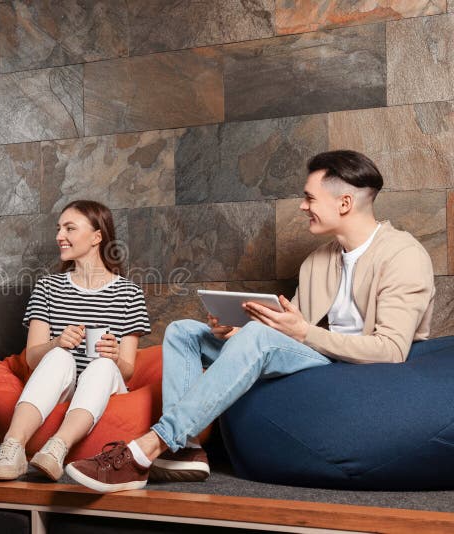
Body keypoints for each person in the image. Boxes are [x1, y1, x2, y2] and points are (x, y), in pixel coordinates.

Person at [66, 150, 436, 493]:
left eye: (309, 198)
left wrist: (298, 332)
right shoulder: (319, 260)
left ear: (344, 203)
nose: (302, 206)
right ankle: (186, 452)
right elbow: (284, 331)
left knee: (258, 337)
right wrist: (238, 333)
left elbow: (390, 351)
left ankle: (148, 447)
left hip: (365, 373)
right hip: (321, 358)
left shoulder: (402, 255)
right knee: (184, 332)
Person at [0, 200, 151, 482]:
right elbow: (32, 359)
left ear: (97, 236)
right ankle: (12, 448)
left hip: (106, 389)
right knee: (59, 356)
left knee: (102, 366)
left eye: (70, 228)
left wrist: (114, 357)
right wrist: (57, 342)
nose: (59, 236)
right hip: (63, 387)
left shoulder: (129, 294)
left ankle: (57, 446)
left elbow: (128, 371)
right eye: (59, 228)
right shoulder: (48, 288)